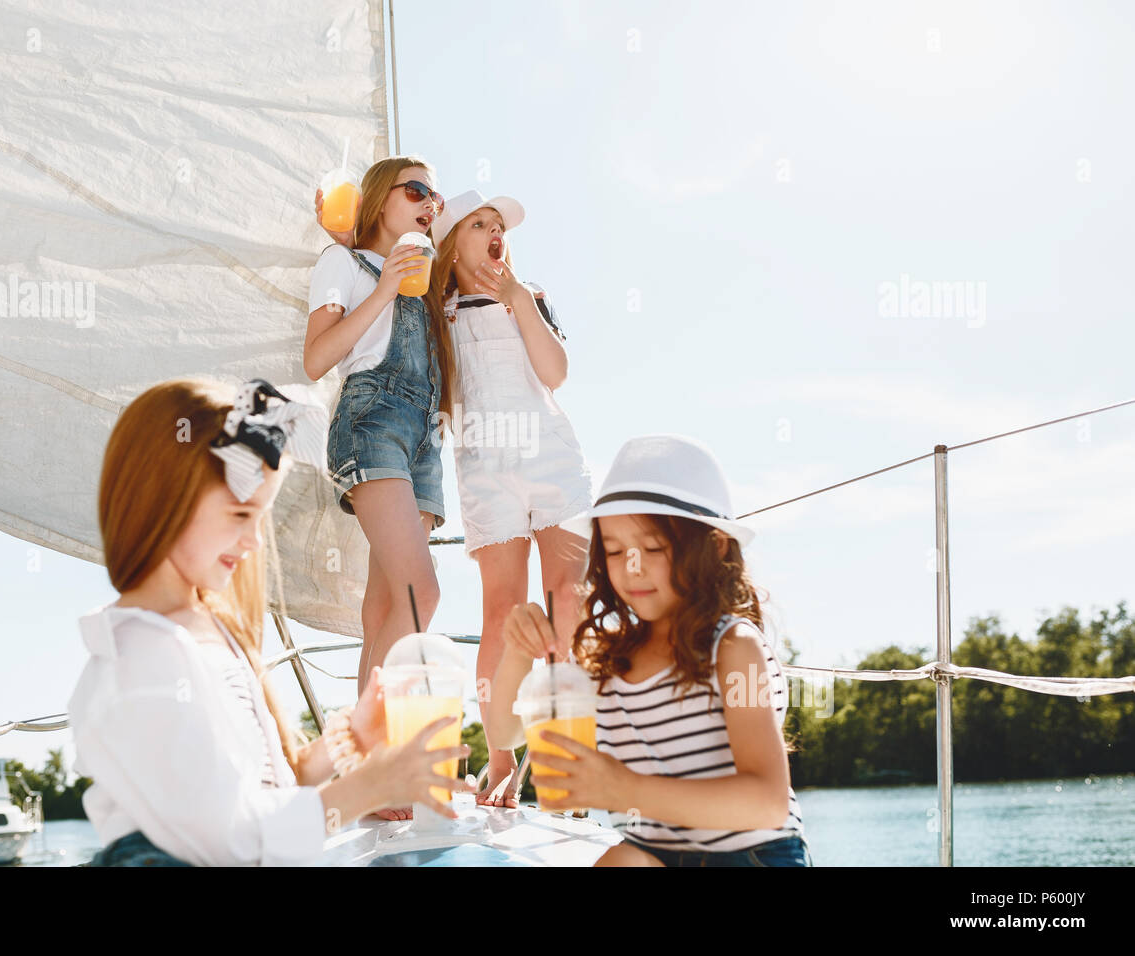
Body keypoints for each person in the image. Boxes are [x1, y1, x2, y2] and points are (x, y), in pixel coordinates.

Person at [68, 377, 470, 866]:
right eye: (241, 515)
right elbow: (229, 842)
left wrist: (355, 738)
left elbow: (277, 780)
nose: (256, 542)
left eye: (261, 520)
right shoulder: (142, 656)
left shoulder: (211, 631)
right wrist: (368, 789)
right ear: (161, 501)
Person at [486, 435, 812, 866]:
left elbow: (766, 804)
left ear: (713, 547)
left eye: (653, 548)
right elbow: (504, 733)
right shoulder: (606, 661)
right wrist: (517, 652)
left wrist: (623, 790)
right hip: (654, 853)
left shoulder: (736, 650)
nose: (631, 567)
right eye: (616, 551)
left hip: (751, 855)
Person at [426, 190, 593, 807]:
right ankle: (501, 762)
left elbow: (555, 374)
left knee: (566, 605)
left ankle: (562, 760)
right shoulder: (435, 312)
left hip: (550, 458)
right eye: (480, 224)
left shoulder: (531, 298)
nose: (496, 233)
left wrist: (520, 299)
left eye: (500, 227)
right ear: (454, 242)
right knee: (502, 612)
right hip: (485, 467)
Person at [305, 157, 457, 700]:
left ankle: (361, 754)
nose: (430, 205)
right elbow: (317, 358)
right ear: (378, 196)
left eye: (434, 200)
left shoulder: (428, 280)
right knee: (423, 593)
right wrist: (383, 287)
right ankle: (374, 740)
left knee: (388, 604)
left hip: (423, 438)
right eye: (417, 191)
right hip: (372, 420)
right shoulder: (343, 263)